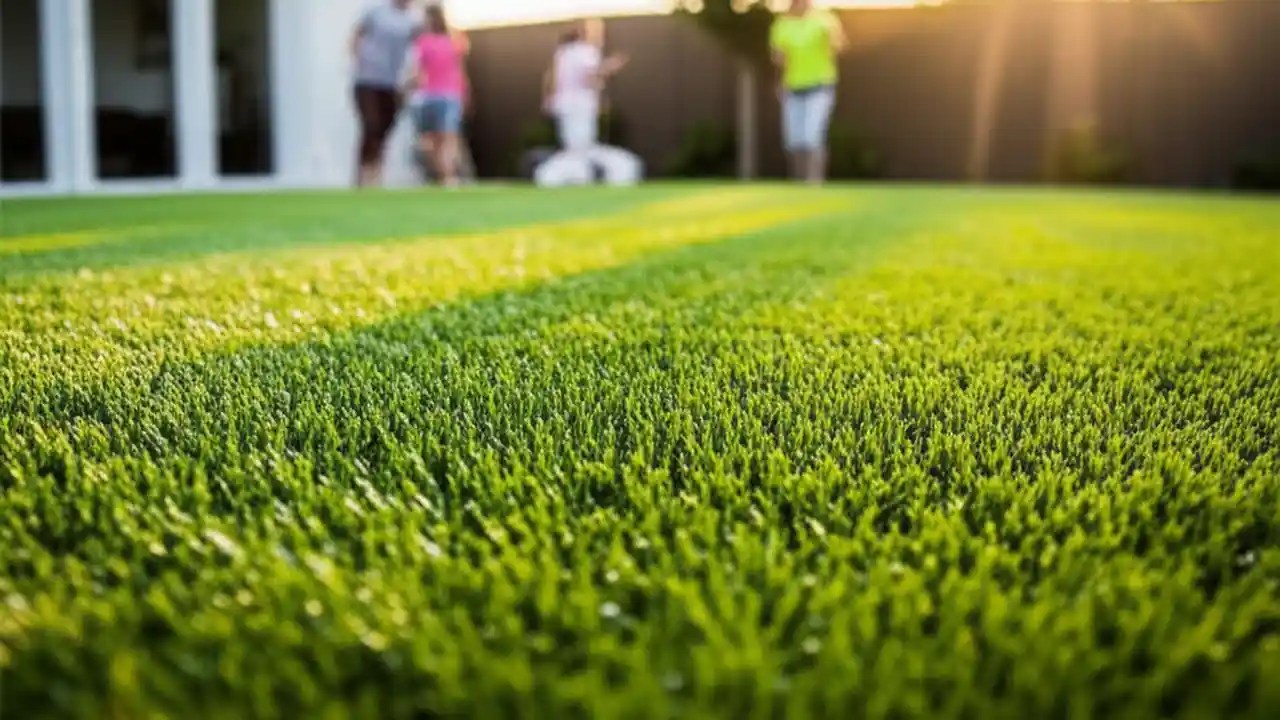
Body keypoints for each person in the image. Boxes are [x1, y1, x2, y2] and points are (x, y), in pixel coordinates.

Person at [770, 0, 846, 184]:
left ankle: (814, 181)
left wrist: (833, 40)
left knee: (812, 135)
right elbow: (778, 58)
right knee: (794, 139)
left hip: (819, 86)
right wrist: (779, 80)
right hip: (793, 87)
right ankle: (798, 181)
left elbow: (839, 46)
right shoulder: (782, 25)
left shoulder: (825, 21)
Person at [350, 0, 422, 188]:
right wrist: (357, 60)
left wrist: (414, 75)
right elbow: (357, 34)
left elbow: (419, 48)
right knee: (371, 125)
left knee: (385, 129)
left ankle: (377, 174)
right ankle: (363, 176)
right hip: (367, 79)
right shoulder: (376, 12)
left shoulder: (415, 18)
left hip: (393, 83)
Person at [543, 20, 628, 158]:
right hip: (580, 103)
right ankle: (579, 172)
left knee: (571, 142)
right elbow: (589, 77)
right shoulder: (587, 51)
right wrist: (611, 66)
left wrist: (549, 98)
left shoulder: (563, 52)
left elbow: (551, 77)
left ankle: (573, 172)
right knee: (583, 142)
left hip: (564, 103)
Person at [407, 4, 469, 187]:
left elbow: (416, 71)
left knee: (434, 141)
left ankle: (446, 176)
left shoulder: (422, 43)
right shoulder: (453, 42)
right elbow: (460, 71)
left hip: (430, 97)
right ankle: (447, 177)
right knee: (445, 140)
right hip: (448, 96)